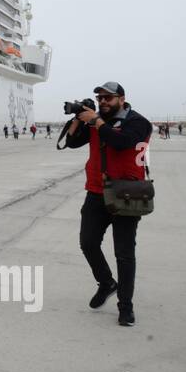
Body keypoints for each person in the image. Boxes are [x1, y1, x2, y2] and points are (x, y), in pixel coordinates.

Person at [63, 81, 152, 326]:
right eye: (100, 98)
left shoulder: (138, 122)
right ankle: (106, 283)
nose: (103, 102)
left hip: (126, 193)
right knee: (88, 242)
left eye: (108, 98)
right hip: (96, 192)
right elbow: (71, 143)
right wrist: (79, 118)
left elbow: (120, 142)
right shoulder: (95, 121)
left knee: (124, 253)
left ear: (122, 99)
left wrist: (96, 121)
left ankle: (126, 306)